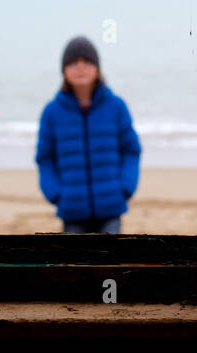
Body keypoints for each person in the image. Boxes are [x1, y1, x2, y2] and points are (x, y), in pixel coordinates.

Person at [34, 36, 141, 233]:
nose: (80, 67)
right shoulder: (52, 112)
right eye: (73, 62)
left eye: (87, 61)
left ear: (97, 68)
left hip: (111, 206)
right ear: (64, 71)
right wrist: (56, 194)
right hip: (71, 209)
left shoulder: (116, 106)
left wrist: (126, 186)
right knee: (76, 264)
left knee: (110, 263)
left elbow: (131, 150)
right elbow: (45, 158)